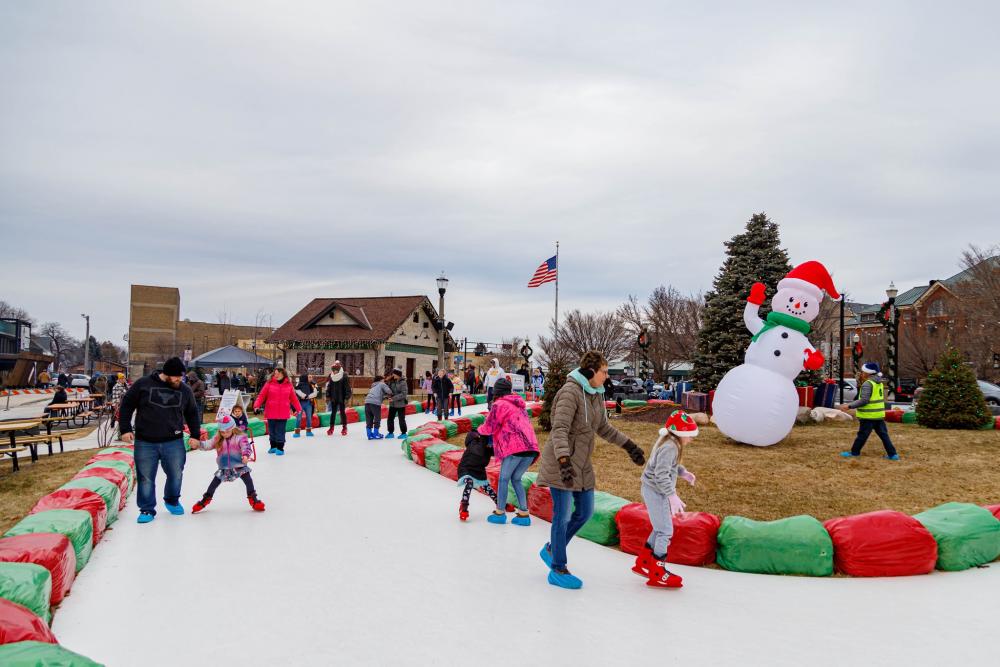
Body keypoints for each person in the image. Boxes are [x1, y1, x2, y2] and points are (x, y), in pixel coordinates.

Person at [536, 350, 646, 589]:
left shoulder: (596, 394)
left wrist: (629, 446)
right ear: (590, 372)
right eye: (604, 372)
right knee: (562, 516)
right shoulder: (569, 392)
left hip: (582, 464)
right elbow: (560, 430)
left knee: (585, 512)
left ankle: (552, 549)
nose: (607, 377)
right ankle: (558, 567)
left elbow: (604, 428)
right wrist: (564, 461)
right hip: (561, 463)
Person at [118, 357, 202, 524]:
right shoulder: (143, 384)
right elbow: (126, 405)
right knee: (146, 477)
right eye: (177, 377)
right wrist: (125, 429)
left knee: (176, 473)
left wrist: (195, 435)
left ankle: (171, 500)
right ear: (167, 374)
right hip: (145, 441)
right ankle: (147, 509)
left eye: (181, 377)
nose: (180, 379)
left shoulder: (184, 390)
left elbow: (192, 413)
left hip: (174, 440)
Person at [633, 410, 699, 589]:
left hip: (654, 490)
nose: (691, 439)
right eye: (689, 436)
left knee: (659, 527)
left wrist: (683, 472)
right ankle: (657, 572)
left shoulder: (669, 441)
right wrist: (672, 495)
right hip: (657, 492)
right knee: (665, 532)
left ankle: (644, 562)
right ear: (681, 433)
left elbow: (669, 465)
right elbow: (661, 473)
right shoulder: (670, 446)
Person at [477, 378, 539, 526]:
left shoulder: (499, 404)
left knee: (504, 479)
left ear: (496, 390)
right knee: (516, 478)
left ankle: (500, 512)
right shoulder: (519, 404)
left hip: (515, 447)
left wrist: (477, 431)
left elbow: (490, 427)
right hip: (530, 448)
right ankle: (524, 514)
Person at [191, 414, 265, 513]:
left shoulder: (240, 437)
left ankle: (254, 500)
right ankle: (205, 500)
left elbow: (246, 447)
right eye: (222, 432)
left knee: (248, 481)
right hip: (224, 467)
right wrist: (199, 444)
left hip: (239, 465)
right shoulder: (218, 438)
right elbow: (208, 444)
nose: (224, 434)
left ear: (233, 428)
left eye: (227, 431)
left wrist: (245, 456)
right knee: (213, 485)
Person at [840, 362, 899, 460]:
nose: (861, 373)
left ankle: (854, 453)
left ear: (868, 373)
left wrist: (849, 406)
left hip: (868, 415)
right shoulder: (878, 382)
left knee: (862, 435)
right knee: (884, 435)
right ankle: (893, 455)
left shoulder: (868, 384)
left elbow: (864, 400)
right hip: (878, 414)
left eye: (863, 371)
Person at [253, 367, 301, 456]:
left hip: (283, 412)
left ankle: (280, 447)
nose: (277, 375)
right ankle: (273, 446)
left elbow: (294, 399)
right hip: (271, 411)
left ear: (283, 374)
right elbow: (262, 395)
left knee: (280, 430)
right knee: (272, 430)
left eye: (279, 373)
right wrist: (256, 405)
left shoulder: (289, 385)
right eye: (275, 373)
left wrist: (299, 409)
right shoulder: (269, 383)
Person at [456, 429, 499, 521]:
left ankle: (499, 503)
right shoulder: (474, 442)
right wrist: (484, 437)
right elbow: (478, 449)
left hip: (479, 470)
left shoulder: (488, 448)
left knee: (487, 488)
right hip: (466, 468)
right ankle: (464, 506)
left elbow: (497, 452)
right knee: (469, 483)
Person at [364, 374, 393, 440]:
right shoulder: (381, 384)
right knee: (377, 418)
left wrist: (385, 396)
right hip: (375, 403)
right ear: (380, 380)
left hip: (367, 402)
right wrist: (391, 393)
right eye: (383, 379)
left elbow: (379, 395)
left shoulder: (373, 386)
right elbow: (389, 391)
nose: (384, 381)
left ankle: (369, 434)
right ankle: (376, 434)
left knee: (369, 418)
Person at [325, 361, 351, 436]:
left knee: (342, 413)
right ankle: (331, 427)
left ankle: (344, 427)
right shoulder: (331, 376)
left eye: (336, 370)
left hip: (342, 398)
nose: (335, 371)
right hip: (333, 398)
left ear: (339, 369)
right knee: (333, 413)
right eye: (334, 370)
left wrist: (347, 397)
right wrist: (328, 396)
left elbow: (347, 387)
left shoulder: (344, 376)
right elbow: (329, 387)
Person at [386, 369, 409, 439]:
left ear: (398, 375)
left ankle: (404, 433)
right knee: (390, 418)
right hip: (392, 404)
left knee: (401, 419)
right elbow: (389, 390)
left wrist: (394, 398)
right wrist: (389, 396)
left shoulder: (403, 382)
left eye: (394, 374)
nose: (393, 375)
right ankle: (390, 433)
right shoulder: (391, 381)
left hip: (401, 404)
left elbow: (404, 394)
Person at [294, 373, 317, 438]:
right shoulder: (299, 384)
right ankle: (297, 432)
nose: (309, 378)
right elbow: (296, 390)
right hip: (300, 403)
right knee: (298, 418)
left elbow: (314, 392)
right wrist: (302, 395)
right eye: (308, 377)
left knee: (309, 417)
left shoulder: (310, 385)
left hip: (308, 403)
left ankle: (308, 431)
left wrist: (308, 396)